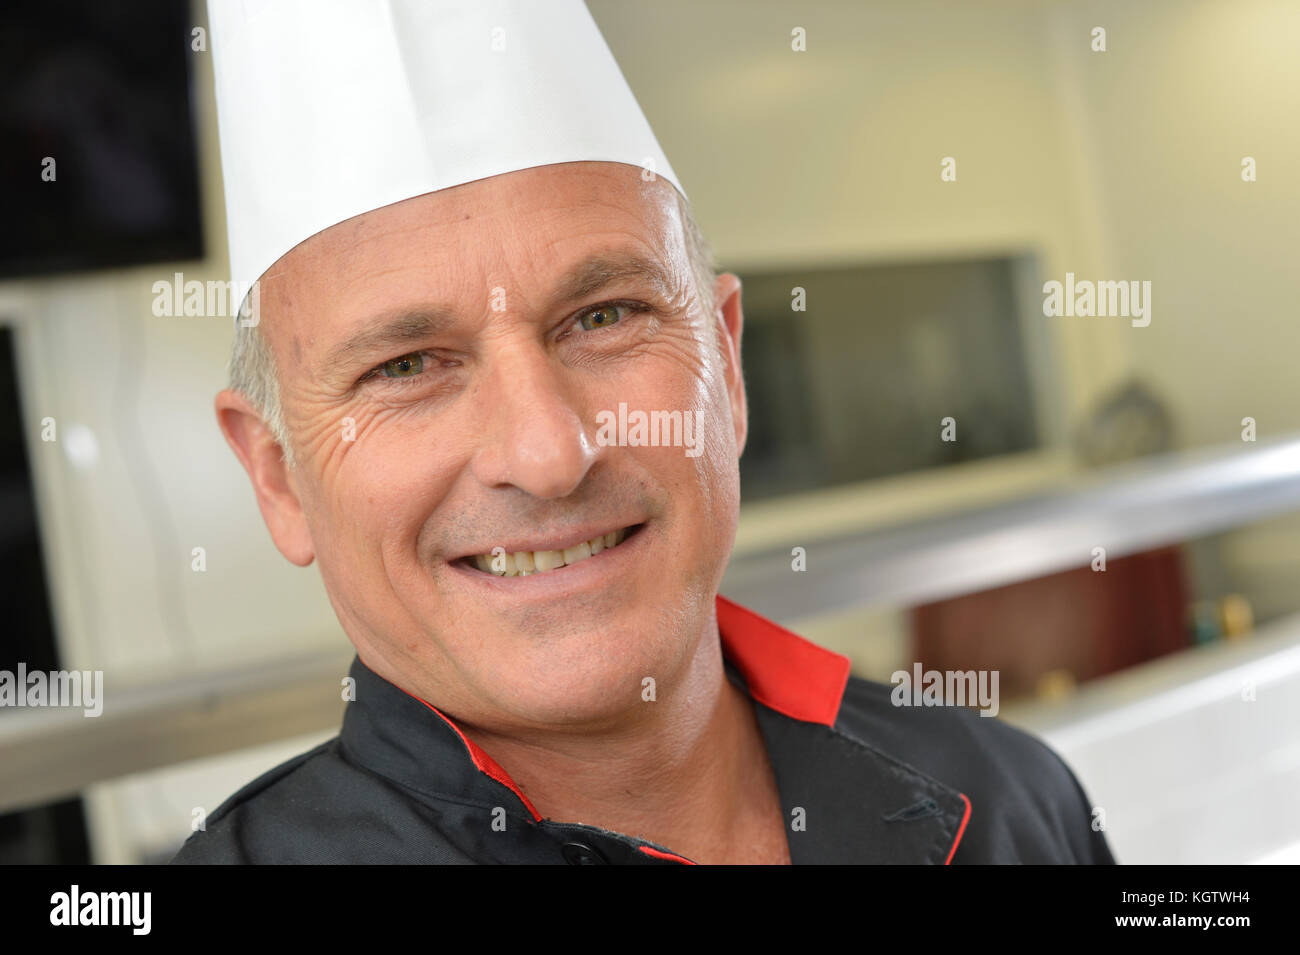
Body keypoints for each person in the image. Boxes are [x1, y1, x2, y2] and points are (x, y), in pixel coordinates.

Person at [173, 0, 1115, 865]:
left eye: (604, 317)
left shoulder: (1012, 801)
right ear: (278, 478)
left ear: (729, 368)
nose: (548, 454)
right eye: (406, 367)